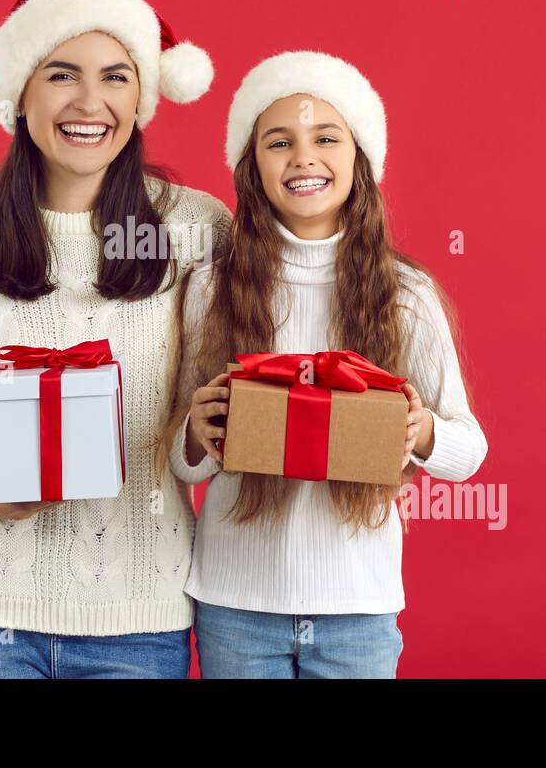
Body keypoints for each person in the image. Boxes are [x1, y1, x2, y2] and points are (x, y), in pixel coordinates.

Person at [0, 0, 230, 678]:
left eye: (115, 77)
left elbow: (203, 446)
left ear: (141, 98)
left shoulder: (195, 233)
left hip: (140, 625)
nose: (90, 103)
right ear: (20, 97)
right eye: (62, 75)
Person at [165, 50, 489, 678]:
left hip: (358, 608)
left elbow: (469, 451)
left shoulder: (405, 294)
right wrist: (194, 433)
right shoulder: (212, 287)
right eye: (278, 142)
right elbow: (179, 460)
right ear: (251, 167)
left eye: (326, 138)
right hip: (235, 605)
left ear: (359, 159)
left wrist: (420, 432)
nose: (303, 157)